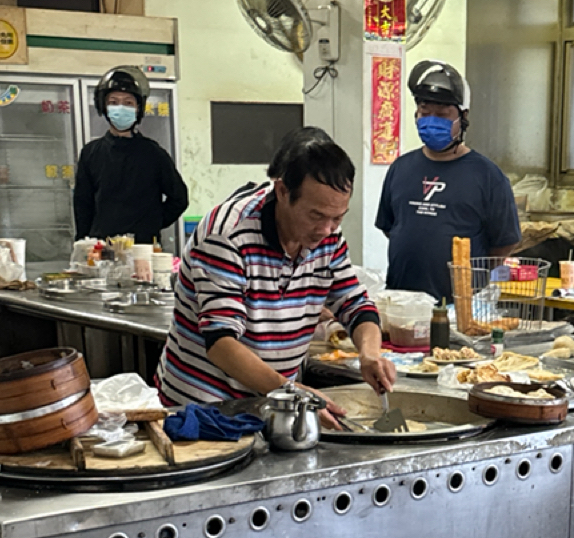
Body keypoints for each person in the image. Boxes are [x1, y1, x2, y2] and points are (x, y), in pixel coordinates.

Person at [155, 137, 395, 423]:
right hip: (205, 406)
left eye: (337, 218)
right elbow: (221, 343)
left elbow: (354, 304)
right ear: (282, 191)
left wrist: (369, 354)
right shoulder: (227, 234)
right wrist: (290, 392)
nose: (326, 229)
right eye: (316, 215)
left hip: (272, 401)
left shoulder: (327, 236)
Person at [376, 60, 521, 302]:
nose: (431, 121)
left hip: (460, 306)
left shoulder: (488, 176)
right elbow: (390, 227)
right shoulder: (400, 168)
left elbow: (504, 243)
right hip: (402, 302)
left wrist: (472, 275)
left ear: (463, 117)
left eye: (442, 115)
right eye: (425, 113)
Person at [73, 65, 189, 246]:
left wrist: (152, 224)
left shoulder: (153, 154)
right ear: (103, 106)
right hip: (102, 247)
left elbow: (179, 198)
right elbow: (82, 204)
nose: (120, 108)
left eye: (128, 103)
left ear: (138, 108)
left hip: (143, 248)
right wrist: (83, 243)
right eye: (113, 102)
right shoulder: (90, 153)